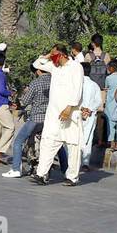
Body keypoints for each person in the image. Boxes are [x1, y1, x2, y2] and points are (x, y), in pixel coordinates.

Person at [28, 45, 85, 186]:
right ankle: (41, 174)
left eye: (55, 56)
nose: (53, 59)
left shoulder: (76, 67)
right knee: (48, 142)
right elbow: (36, 64)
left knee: (73, 145)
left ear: (62, 55)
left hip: (70, 113)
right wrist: (48, 55)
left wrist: (70, 107)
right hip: (53, 114)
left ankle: (72, 177)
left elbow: (77, 89)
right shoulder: (54, 67)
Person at [4, 62, 52, 179]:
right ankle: (66, 169)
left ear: (39, 71)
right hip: (50, 119)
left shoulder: (36, 83)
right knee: (56, 145)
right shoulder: (54, 81)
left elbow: (24, 101)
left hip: (36, 118)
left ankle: (16, 169)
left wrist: (17, 104)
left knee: (18, 141)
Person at [79, 61, 103, 171]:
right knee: (88, 139)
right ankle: (85, 162)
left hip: (77, 113)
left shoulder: (77, 83)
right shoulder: (94, 85)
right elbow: (98, 101)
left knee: (75, 137)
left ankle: (75, 162)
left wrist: (82, 109)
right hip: (90, 115)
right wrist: (89, 109)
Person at [103, 59, 117, 148]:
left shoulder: (108, 78)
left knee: (110, 123)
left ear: (112, 68)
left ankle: (111, 141)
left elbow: (106, 88)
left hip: (110, 102)